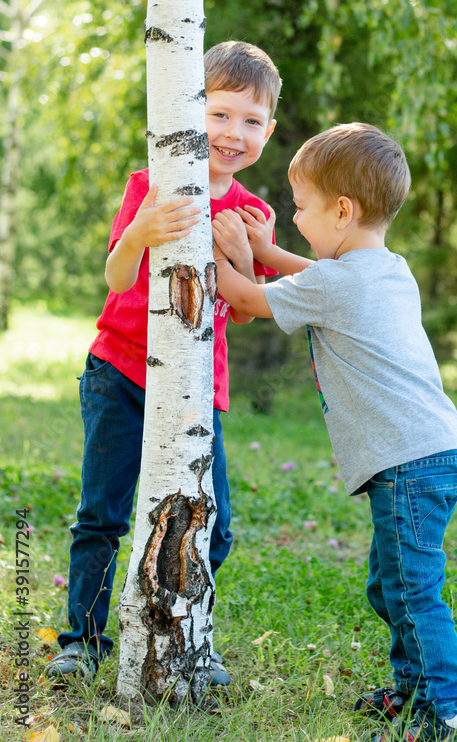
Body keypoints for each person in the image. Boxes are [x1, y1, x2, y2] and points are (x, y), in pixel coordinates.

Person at [211, 123, 457, 742]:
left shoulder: (337, 283)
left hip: (409, 459)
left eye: (301, 208)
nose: (296, 219)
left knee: (412, 590)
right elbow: (316, 279)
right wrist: (271, 253)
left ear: (343, 210)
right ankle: (412, 691)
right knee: (391, 584)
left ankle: (447, 715)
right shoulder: (387, 269)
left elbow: (247, 302)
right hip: (430, 453)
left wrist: (219, 249)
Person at [46, 41, 281, 686]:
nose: (234, 134)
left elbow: (253, 307)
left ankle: (181, 633)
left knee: (216, 526)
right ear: (189, 110)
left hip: (196, 391)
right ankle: (82, 640)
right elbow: (117, 276)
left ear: (269, 130)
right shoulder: (151, 185)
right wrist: (141, 232)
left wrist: (242, 254)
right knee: (103, 514)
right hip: (120, 370)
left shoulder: (252, 215)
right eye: (220, 114)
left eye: (252, 121)